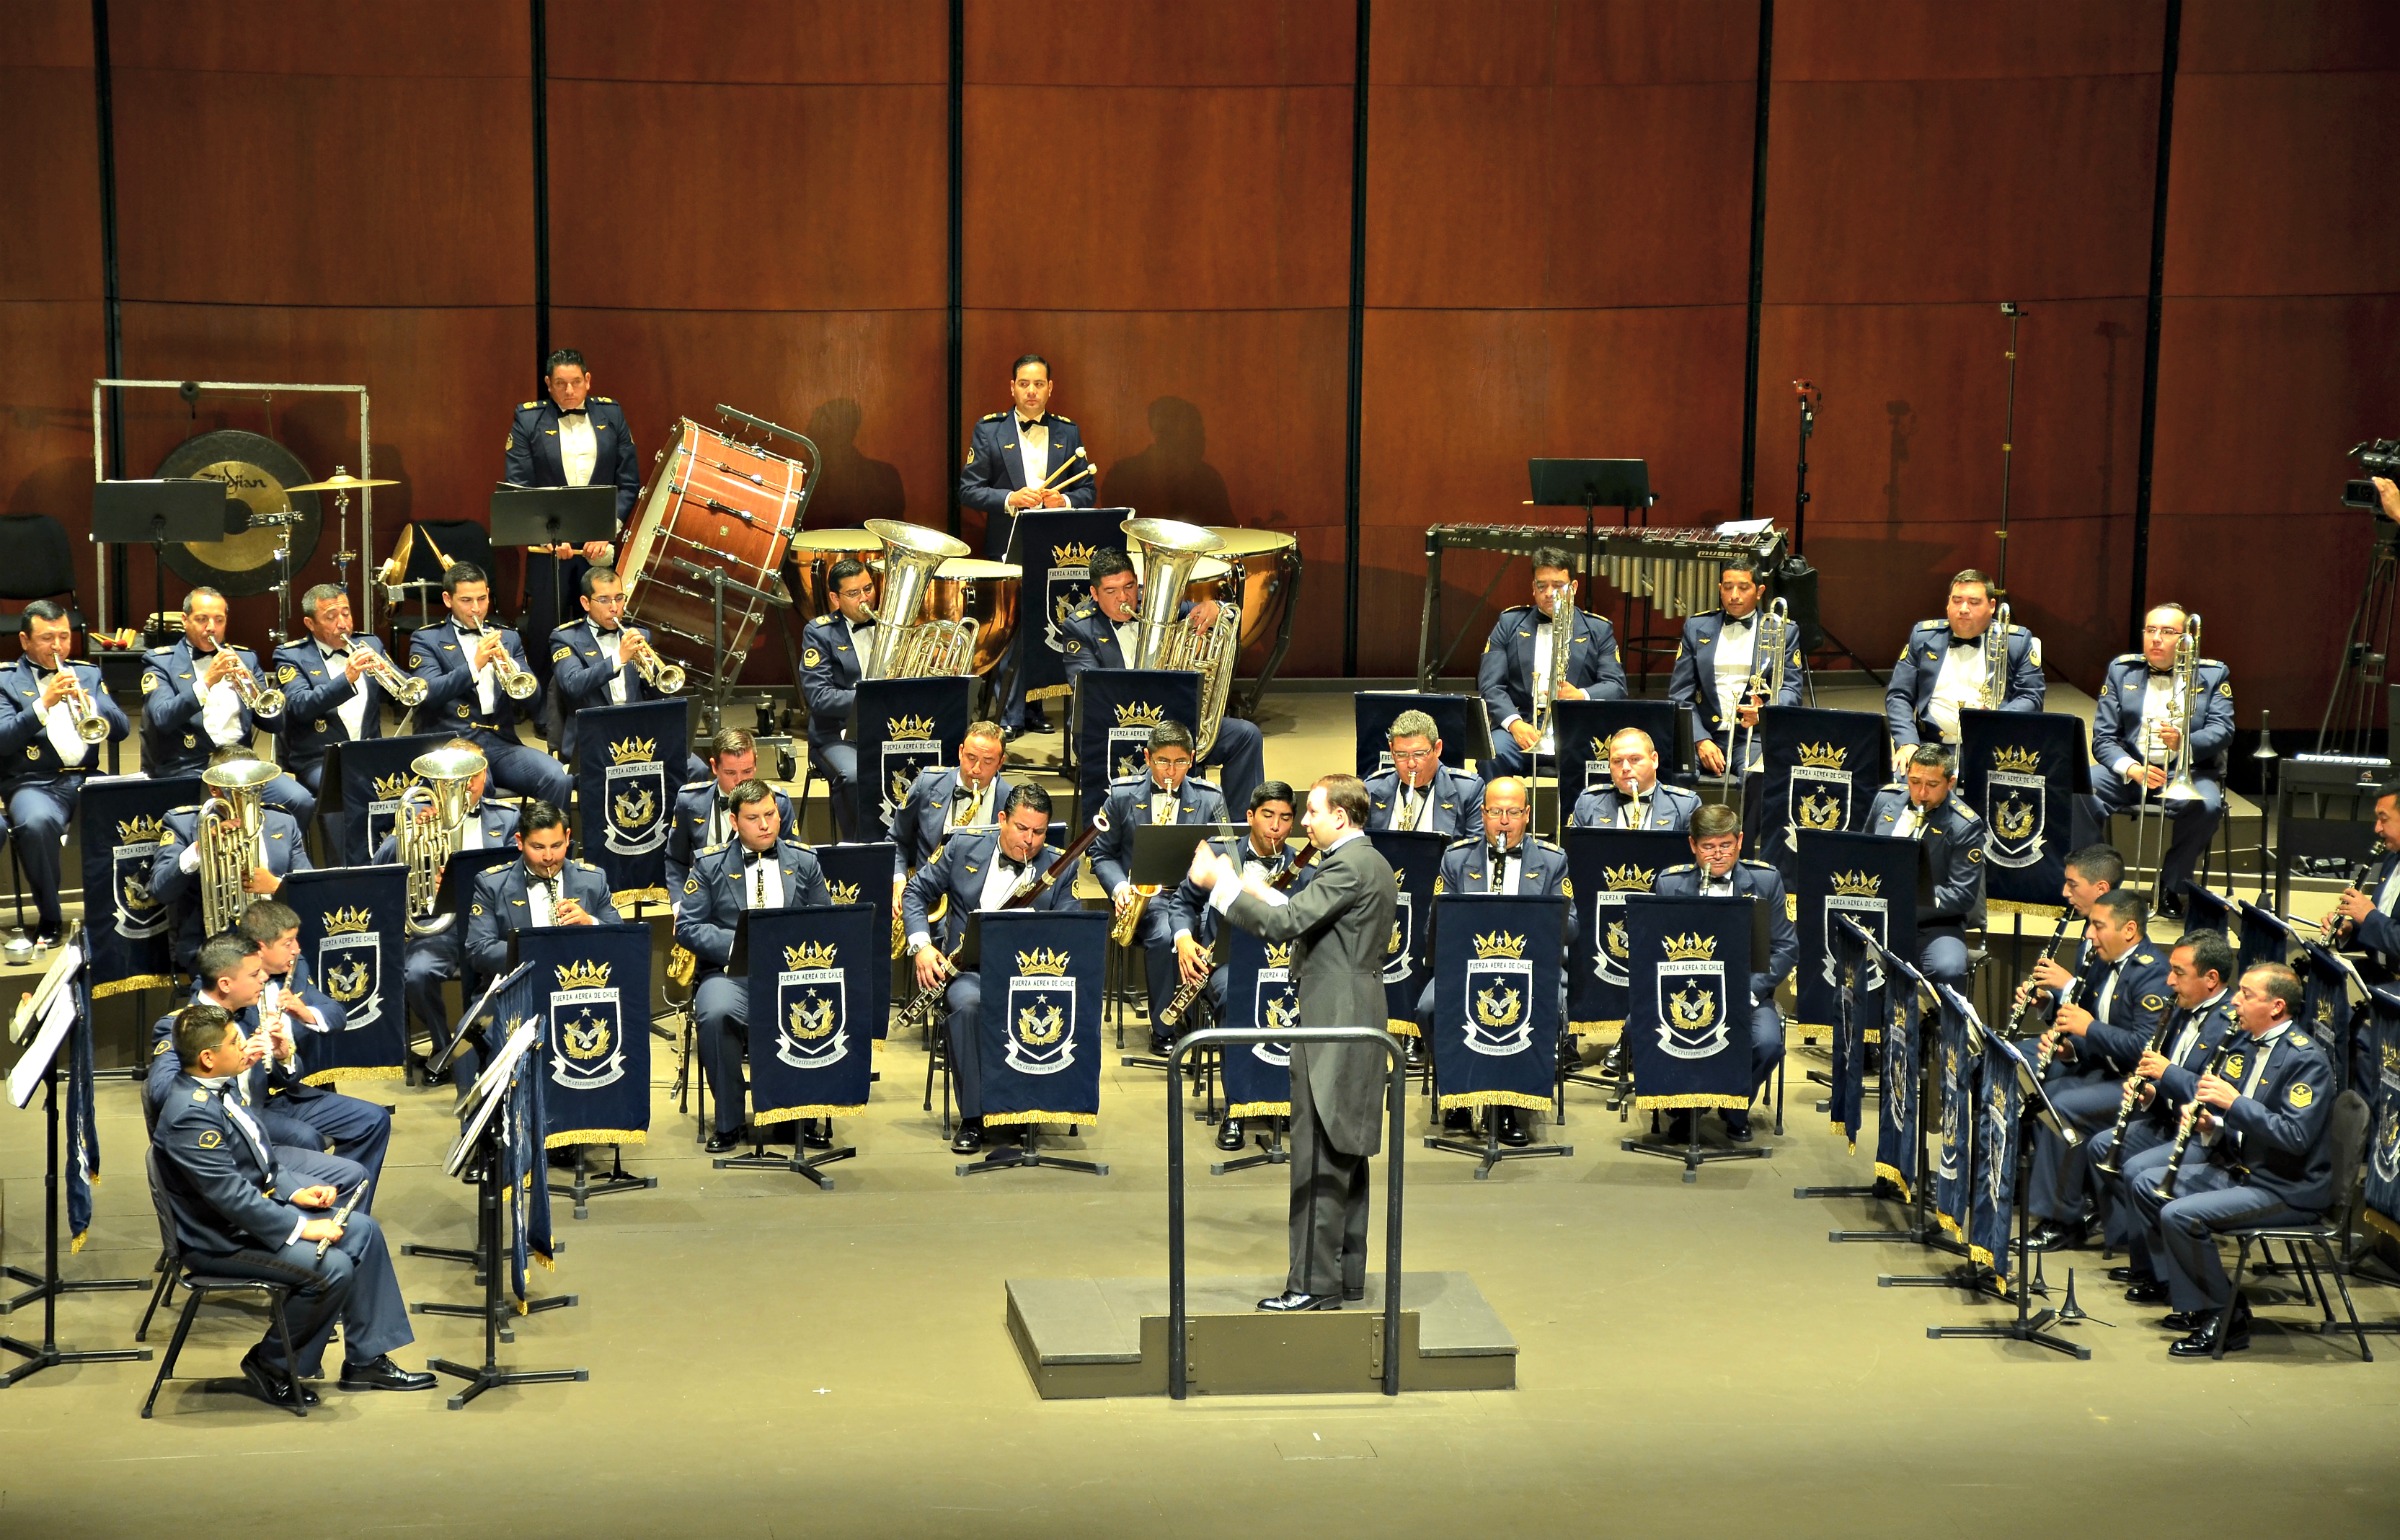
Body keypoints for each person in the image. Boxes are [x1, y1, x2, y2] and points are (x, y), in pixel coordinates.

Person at [1186, 773, 1398, 1313]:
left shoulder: (1348, 864)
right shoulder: (1361, 862)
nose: (1302, 821)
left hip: (1334, 1021)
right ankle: (1345, 1275)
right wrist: (1243, 882)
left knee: (1319, 1154)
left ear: (1341, 819)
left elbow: (1285, 925)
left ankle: (1311, 1284)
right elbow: (1298, 907)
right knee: (1344, 1147)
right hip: (1353, 1013)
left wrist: (1219, 885)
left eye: (1312, 812)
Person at [151, 1004, 435, 1406]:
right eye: (235, 1041)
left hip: (246, 1222)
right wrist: (301, 1226)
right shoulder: (190, 1116)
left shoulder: (219, 1087)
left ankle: (365, 1360)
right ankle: (270, 1363)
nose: (245, 1044)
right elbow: (231, 1197)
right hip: (219, 1242)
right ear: (208, 1058)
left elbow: (259, 1157)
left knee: (364, 1231)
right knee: (331, 1267)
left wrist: (293, 1192)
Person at [2121, 961, 2334, 1357]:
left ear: (2276, 1007)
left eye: (2247, 995)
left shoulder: (2306, 1060)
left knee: (2180, 1215)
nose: (2235, 1001)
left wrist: (2233, 1103)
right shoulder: (2243, 1045)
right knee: (2147, 1185)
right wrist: (2210, 1124)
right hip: (2241, 1170)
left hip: (2285, 1189)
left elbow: (2295, 1136)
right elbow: (2235, 1124)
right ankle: (2196, 1299)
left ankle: (2225, 1317)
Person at [901, 784, 1082, 1155]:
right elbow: (915, 893)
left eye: (1039, 832)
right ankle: (974, 1119)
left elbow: (1071, 928)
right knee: (969, 1007)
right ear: (1002, 819)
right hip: (968, 972)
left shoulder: (1060, 866)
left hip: (1032, 978)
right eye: (1021, 829)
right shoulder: (962, 846)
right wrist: (921, 946)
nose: (1030, 841)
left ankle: (1028, 1108)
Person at [143, 933, 371, 1201]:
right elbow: (159, 1092)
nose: (264, 978)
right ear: (226, 984)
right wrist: (229, 1067)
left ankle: (334, 1225)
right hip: (230, 1136)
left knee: (361, 1141)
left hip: (261, 1111)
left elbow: (286, 1076)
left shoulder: (247, 1010)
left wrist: (284, 1056)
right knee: (317, 1151)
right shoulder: (180, 1027)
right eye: (254, 974)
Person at [675, 779, 832, 1153]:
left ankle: (795, 1116)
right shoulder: (709, 864)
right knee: (714, 1012)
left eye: (770, 815)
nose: (765, 825)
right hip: (732, 974)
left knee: (818, 1003)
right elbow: (687, 927)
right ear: (734, 821)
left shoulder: (804, 860)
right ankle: (728, 1122)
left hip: (794, 972)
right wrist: (736, 945)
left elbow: (826, 919)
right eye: (754, 818)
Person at [1419, 777, 1572, 1148]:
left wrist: (1532, 919)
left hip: (1531, 971)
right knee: (1429, 1007)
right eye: (1496, 812)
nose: (1504, 821)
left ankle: (1505, 1104)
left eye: (1513, 812)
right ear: (1483, 814)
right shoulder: (1456, 858)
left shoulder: (1552, 861)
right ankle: (1458, 1089)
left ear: (1527, 815)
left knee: (1533, 1011)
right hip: (1466, 968)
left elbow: (1573, 927)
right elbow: (1435, 925)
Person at [1059, 547, 1265, 810]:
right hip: (1114, 725)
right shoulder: (1079, 627)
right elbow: (1089, 687)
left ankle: (1239, 834)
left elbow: (1219, 613)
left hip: (1172, 719)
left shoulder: (1156, 607)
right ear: (1094, 594)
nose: (1124, 598)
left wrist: (1217, 608)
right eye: (1111, 591)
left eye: (1129, 586)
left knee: (1246, 736)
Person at [2021, 889, 2171, 1250]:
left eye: (2097, 926)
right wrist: (2070, 1047)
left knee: (2062, 1106)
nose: (2089, 934)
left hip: (2141, 1087)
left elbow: (2143, 1048)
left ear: (2130, 929)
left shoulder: (2152, 975)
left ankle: (2061, 1219)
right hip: (2106, 1071)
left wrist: (2087, 1029)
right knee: (2045, 1094)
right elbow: (2092, 1024)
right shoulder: (2106, 960)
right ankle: (2066, 1205)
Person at [2086, 931, 2238, 1289]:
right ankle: (2142, 1258)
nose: (2169, 981)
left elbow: (2213, 1096)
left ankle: (2165, 1276)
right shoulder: (2182, 1009)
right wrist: (2151, 1093)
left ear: (2210, 980)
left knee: (2139, 1170)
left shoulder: (2230, 1024)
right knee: (2101, 1146)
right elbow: (2170, 1078)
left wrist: (2164, 1073)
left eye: (2179, 973)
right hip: (2168, 1120)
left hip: (2206, 1135)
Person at [1161, 781, 1305, 1152]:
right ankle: (1237, 1108)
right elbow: (1182, 903)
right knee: (1233, 998)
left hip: (1284, 966)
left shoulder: (1307, 869)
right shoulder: (1223, 856)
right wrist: (1182, 939)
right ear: (1250, 817)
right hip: (1226, 965)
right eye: (1268, 816)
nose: (1275, 827)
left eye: (1285, 818)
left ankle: (1289, 1098)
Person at [372, 738, 519, 1094]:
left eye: (473, 774)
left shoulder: (507, 817)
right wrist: (407, 832)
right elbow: (379, 869)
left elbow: (514, 878)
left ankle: (499, 1048)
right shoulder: (416, 818)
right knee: (416, 975)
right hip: (440, 930)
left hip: (490, 927)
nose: (467, 784)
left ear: (484, 775)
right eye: (457, 776)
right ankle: (445, 1048)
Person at [959, 355, 1097, 731]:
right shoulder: (989, 431)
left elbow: (1087, 490)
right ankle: (1010, 717)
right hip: (1008, 549)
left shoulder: (1069, 433)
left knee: (1048, 631)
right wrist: (1009, 499)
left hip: (1058, 551)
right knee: (1015, 632)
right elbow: (968, 490)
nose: (1031, 391)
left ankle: (1035, 710)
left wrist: (1063, 501)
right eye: (1024, 383)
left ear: (1050, 388)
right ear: (1012, 387)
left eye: (1039, 384)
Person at [2076, 604, 2233, 916]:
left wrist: (2184, 743)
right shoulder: (2122, 671)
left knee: (2208, 805)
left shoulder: (2214, 674)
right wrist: (2131, 768)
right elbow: (2104, 738)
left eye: (2167, 632)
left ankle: (2172, 886)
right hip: (2134, 769)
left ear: (2187, 638)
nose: (2156, 639)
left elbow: (2223, 729)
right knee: (2080, 789)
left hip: (2187, 771)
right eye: (2150, 630)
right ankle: (2096, 885)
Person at [1653, 803, 1796, 1143]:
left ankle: (1734, 1107)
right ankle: (1687, 1106)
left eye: (1725, 846)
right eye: (1708, 847)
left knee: (1768, 1043)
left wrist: (1748, 991)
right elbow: (1654, 951)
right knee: (1636, 1027)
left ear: (1740, 841)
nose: (1717, 855)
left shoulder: (1764, 880)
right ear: (1693, 846)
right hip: (1684, 993)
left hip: (1747, 992)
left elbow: (1786, 948)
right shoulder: (1669, 884)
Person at [1089, 722, 1232, 1056]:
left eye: (1181, 762)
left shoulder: (1211, 798)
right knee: (1166, 936)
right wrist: (1120, 887)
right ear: (1147, 758)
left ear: (1193, 759)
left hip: (1196, 896)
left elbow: (1228, 853)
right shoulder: (1122, 795)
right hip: (1144, 898)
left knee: (1220, 928)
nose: (1171, 771)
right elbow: (1101, 852)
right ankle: (1164, 1027)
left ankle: (1210, 1021)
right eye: (1163, 762)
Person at [505, 347, 640, 691]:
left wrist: (607, 531)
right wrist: (548, 535)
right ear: (548, 384)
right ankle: (545, 707)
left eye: (576, 382)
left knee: (604, 618)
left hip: (599, 543)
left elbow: (628, 482)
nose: (569, 391)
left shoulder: (612, 415)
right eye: (561, 384)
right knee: (546, 625)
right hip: (550, 543)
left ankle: (606, 696)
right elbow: (518, 487)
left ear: (588, 381)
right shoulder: (529, 419)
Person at [463, 802, 620, 1087]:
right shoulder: (491, 885)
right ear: (520, 841)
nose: (549, 857)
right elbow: (479, 949)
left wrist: (591, 924)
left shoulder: (593, 880)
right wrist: (535, 948)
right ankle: (483, 1127)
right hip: (512, 992)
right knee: (466, 1038)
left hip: (578, 993)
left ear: (569, 837)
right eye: (538, 847)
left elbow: (620, 940)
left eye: (557, 845)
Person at [0, 598, 129, 944]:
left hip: (87, 777)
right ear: (25, 641)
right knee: (35, 824)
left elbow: (121, 731)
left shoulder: (87, 673)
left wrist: (94, 701)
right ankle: (51, 917)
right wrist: (43, 704)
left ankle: (121, 912)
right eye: (46, 638)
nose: (57, 646)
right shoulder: (6, 680)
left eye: (64, 637)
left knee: (132, 807)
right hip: (33, 783)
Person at [140, 586, 314, 827]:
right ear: (185, 620)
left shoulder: (246, 659)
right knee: (216, 820)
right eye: (202, 619)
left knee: (300, 800)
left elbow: (275, 724)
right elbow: (162, 718)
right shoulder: (160, 662)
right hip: (190, 768)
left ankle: (277, 858)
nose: (211, 627)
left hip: (240, 765)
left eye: (218, 620)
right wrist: (207, 682)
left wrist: (254, 693)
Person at [405, 562, 572, 807]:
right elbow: (429, 693)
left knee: (559, 778)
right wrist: (475, 665)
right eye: (466, 600)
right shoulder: (426, 639)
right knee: (481, 786)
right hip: (453, 744)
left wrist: (512, 671)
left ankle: (546, 843)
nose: (476, 609)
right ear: (447, 599)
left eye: (482, 599)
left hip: (500, 743)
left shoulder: (508, 637)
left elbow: (534, 701)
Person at [149, 749, 313, 974]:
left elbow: (308, 888)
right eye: (239, 788)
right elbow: (161, 890)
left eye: (258, 785)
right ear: (214, 789)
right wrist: (201, 848)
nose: (253, 792)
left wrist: (276, 885)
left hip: (275, 944)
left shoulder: (283, 822)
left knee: (314, 999)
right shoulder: (183, 825)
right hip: (216, 948)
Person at [1476, 546, 1627, 782]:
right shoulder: (1509, 623)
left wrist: (1581, 695)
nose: (1549, 593)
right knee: (1492, 754)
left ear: (1574, 587)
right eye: (1542, 585)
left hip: (1576, 729)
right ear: (1532, 588)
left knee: (1605, 757)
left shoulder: (1598, 629)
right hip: (1522, 725)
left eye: (1558, 585)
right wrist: (1515, 724)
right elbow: (1491, 686)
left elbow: (1615, 685)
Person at [1883, 568, 2043, 760]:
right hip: (1929, 745)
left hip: (1993, 746)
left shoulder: (2016, 641)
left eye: (1974, 602)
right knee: (1904, 784)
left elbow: (2031, 697)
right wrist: (1907, 741)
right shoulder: (1924, 637)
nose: (1964, 609)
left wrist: (1997, 717)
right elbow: (1899, 695)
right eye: (1956, 601)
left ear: (1992, 605)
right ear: (1948, 603)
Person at [1862, 745, 1985, 988]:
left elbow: (1962, 895)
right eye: (1915, 781)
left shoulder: (1965, 825)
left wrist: (1909, 899)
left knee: (1947, 969)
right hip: (1879, 916)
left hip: (1936, 926)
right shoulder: (1885, 801)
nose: (1921, 792)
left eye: (1931, 785)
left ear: (1950, 783)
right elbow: (1864, 853)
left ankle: (1943, 1027)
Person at [548, 566, 689, 777]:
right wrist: (619, 659)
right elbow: (572, 684)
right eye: (604, 600)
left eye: (619, 598)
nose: (614, 607)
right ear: (585, 603)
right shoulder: (565, 639)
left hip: (639, 739)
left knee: (695, 767)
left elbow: (661, 695)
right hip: (593, 742)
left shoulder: (640, 634)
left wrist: (648, 670)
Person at [1672, 561, 1807, 780]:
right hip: (1705, 732)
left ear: (1759, 591)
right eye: (1727, 587)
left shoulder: (1783, 630)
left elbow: (1791, 689)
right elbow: (1680, 693)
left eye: (1743, 587)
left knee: (1758, 778)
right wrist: (1699, 739)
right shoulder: (1696, 628)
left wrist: (1764, 712)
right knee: (1677, 772)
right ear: (1720, 589)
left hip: (1751, 736)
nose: (1734, 595)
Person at [797, 557, 876, 840]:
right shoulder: (819, 633)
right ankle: (862, 850)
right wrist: (872, 699)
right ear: (835, 598)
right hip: (836, 737)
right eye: (854, 594)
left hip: (886, 733)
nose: (865, 598)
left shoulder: (891, 627)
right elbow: (820, 698)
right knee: (854, 777)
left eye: (867, 588)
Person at [667, 729, 795, 897]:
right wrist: (679, 907)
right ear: (714, 766)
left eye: (747, 771)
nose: (739, 781)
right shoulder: (690, 802)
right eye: (730, 773)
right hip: (709, 902)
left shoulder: (778, 803)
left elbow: (793, 862)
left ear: (756, 763)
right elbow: (676, 861)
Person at [889, 719, 1016, 882]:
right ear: (960, 752)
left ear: (1000, 762)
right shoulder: (927, 783)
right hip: (926, 892)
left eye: (988, 761)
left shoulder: (1012, 800)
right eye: (971, 757)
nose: (976, 768)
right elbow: (897, 839)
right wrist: (898, 880)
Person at [1363, 709, 1481, 835]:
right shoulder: (1371, 789)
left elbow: (1473, 849)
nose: (1411, 764)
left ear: (1437, 748)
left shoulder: (1468, 791)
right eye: (1401, 755)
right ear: (1391, 750)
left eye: (1419, 754)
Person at [1569, 728, 1700, 831]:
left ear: (1654, 760)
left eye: (1635, 759)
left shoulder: (1685, 806)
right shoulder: (1588, 803)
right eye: (1617, 761)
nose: (1625, 768)